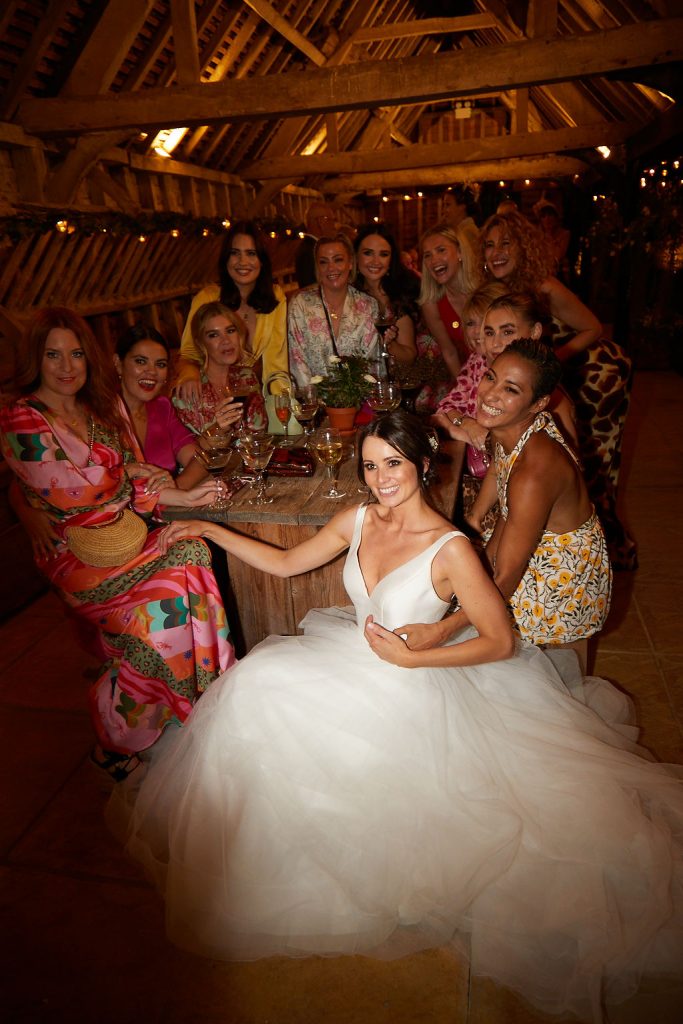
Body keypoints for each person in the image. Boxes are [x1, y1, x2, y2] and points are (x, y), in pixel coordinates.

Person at [111, 409, 683, 1023]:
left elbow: (500, 641)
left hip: (418, 683)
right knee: (255, 688)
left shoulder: (451, 547)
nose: (381, 479)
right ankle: (268, 856)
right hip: (351, 659)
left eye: (393, 464)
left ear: (420, 463)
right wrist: (208, 529)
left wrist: (418, 660)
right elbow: (284, 563)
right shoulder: (357, 518)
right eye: (370, 465)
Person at [0, 308, 235, 780]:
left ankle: (204, 700)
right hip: (75, 556)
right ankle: (116, 733)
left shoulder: (99, 409)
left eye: (76, 354)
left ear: (90, 360)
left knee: (192, 552)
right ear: (36, 360)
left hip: (123, 537)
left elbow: (140, 486)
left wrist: (184, 494)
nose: (67, 366)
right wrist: (129, 473)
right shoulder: (20, 417)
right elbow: (72, 489)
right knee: (160, 613)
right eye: (53, 355)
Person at [419, 339, 606, 671]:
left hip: (562, 574)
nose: (490, 394)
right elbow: (508, 513)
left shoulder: (535, 471)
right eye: (491, 377)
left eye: (511, 390)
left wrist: (441, 630)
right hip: (535, 551)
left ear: (538, 404)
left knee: (552, 684)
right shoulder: (510, 432)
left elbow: (505, 577)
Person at [482, 210, 636, 568]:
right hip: (526, 379)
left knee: (590, 466)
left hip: (592, 376)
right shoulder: (498, 294)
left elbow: (593, 327)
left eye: (506, 242)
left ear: (525, 247)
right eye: (489, 245)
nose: (497, 251)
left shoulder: (544, 286)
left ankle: (610, 551)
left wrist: (546, 360)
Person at [176, 220, 288, 398]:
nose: (243, 262)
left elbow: (277, 361)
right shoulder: (207, 298)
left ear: (262, 261)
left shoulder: (275, 297)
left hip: (259, 394)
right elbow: (189, 353)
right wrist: (190, 374)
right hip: (214, 394)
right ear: (225, 259)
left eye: (251, 253)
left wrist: (281, 405)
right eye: (235, 253)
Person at [113, 324, 206, 490]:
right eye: (140, 361)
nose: (152, 372)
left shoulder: (162, 408)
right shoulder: (100, 414)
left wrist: (174, 490)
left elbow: (199, 459)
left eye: (160, 364)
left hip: (167, 510)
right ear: (118, 363)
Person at [288, 232, 379, 384]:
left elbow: (370, 362)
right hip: (312, 401)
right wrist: (314, 401)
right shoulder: (301, 304)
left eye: (338, 260)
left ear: (350, 263)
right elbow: (296, 359)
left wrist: (350, 399)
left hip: (357, 399)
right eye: (323, 262)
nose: (331, 268)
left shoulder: (368, 305)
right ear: (317, 267)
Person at [173, 302, 265, 435]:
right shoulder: (188, 390)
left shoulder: (247, 377)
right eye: (213, 335)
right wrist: (217, 428)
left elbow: (260, 432)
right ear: (200, 343)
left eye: (230, 331)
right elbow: (189, 452)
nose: (226, 340)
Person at [418, 222, 483, 379]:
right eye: (428, 255)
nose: (434, 260)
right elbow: (449, 352)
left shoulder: (485, 289)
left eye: (441, 250)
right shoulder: (432, 303)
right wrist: (463, 389)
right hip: (471, 377)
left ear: (460, 252)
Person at [353, 222, 418, 365]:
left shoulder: (398, 296)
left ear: (391, 260)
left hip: (392, 381)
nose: (375, 261)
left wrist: (388, 343)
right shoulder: (348, 295)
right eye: (368, 253)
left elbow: (409, 356)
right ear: (356, 257)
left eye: (383, 254)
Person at [294, 201, 339, 288]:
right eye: (332, 220)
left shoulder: (310, 247)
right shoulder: (310, 251)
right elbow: (311, 287)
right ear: (321, 222)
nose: (334, 226)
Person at [441, 184, 480, 251]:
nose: (443, 210)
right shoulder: (459, 231)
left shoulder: (468, 233)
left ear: (462, 207)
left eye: (448, 205)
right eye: (444, 205)